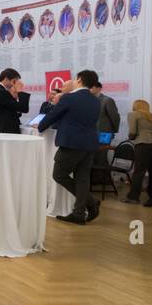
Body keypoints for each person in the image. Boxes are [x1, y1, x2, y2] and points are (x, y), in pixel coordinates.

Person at [38, 69, 102, 224]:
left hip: (71, 143)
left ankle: (90, 202)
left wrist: (40, 126)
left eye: (75, 78)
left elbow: (53, 115)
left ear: (79, 80)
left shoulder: (69, 98)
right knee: (82, 178)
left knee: (59, 174)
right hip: (90, 144)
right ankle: (79, 213)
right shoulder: (96, 100)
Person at [123, 98, 152, 204]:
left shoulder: (133, 114)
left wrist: (131, 138)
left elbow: (132, 131)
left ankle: (133, 197)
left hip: (143, 144)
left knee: (139, 172)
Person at [90, 80, 120, 165]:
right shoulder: (89, 101)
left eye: (91, 88)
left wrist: (113, 131)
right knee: (93, 158)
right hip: (91, 134)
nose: (89, 90)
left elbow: (115, 117)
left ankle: (104, 178)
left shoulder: (107, 100)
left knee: (101, 158)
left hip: (104, 133)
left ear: (99, 88)